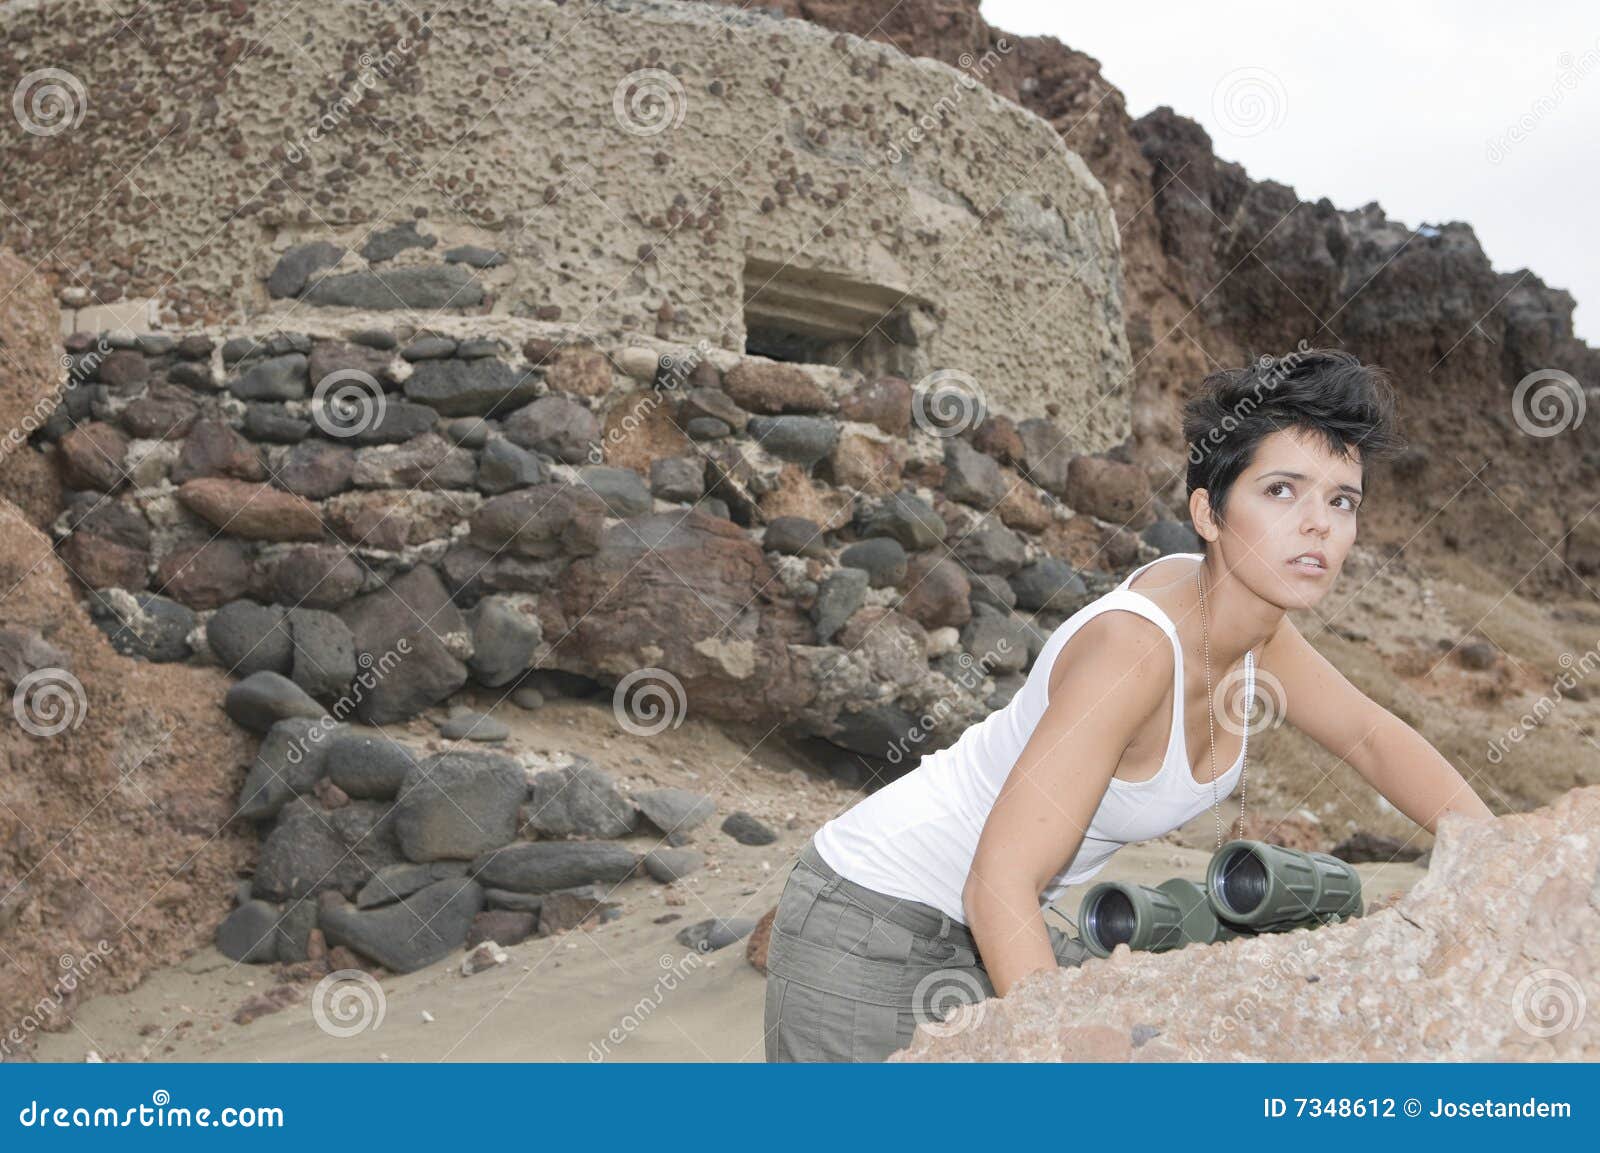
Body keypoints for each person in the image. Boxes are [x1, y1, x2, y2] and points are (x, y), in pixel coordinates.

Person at [762, 348, 1496, 1062]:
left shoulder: (1252, 626)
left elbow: (1372, 737)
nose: (1319, 524)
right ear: (1209, 513)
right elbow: (998, 882)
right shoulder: (1136, 651)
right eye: (1282, 490)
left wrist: (1500, 860)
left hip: (987, 923)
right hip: (870, 920)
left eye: (1342, 500)